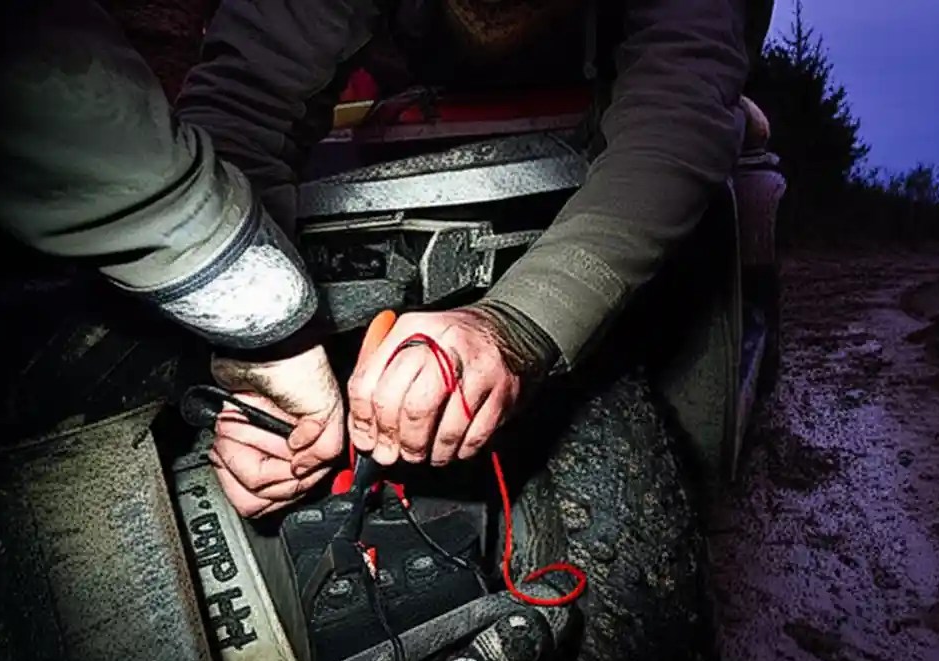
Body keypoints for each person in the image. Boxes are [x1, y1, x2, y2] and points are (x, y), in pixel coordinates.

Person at [174, 0, 751, 517]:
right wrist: (264, 346)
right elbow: (240, 112)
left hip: (602, 111)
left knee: (718, 204)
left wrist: (516, 327)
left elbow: (676, 121)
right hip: (412, 102)